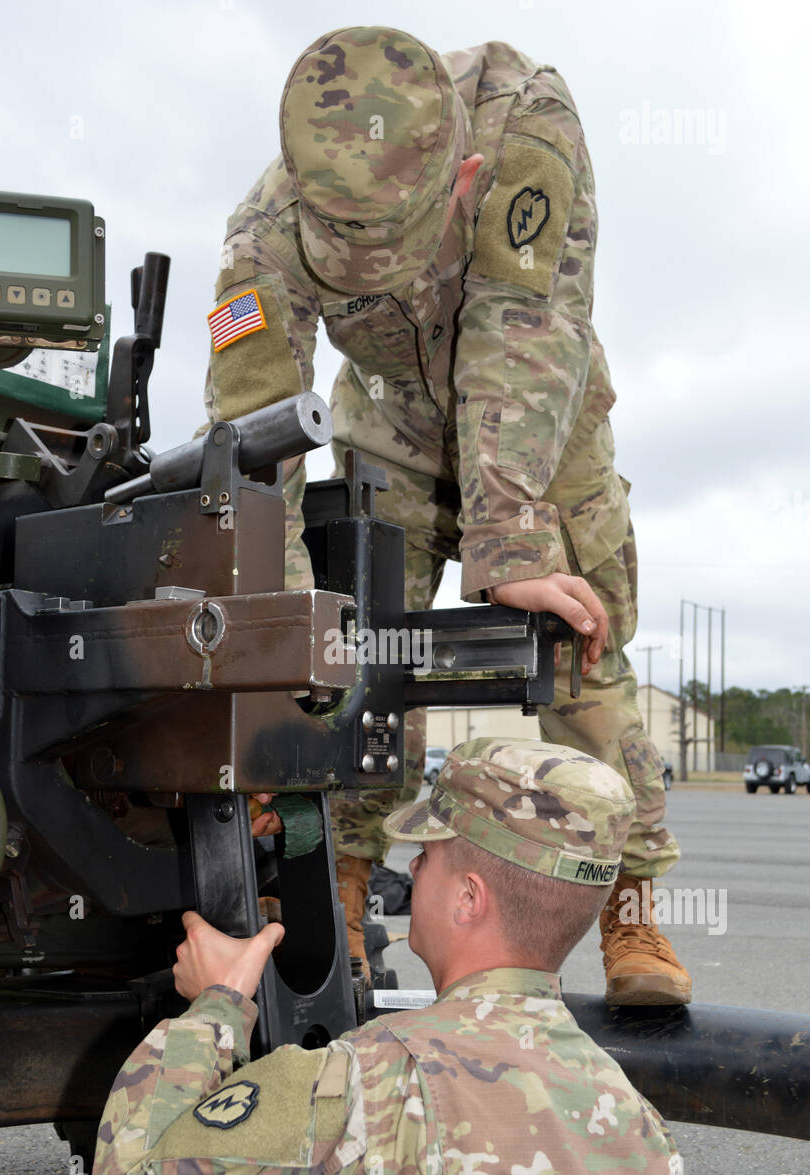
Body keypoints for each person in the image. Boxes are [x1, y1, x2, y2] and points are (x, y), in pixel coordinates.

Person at [196, 26, 690, 1006]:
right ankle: (336, 888)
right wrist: (286, 615)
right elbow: (254, 438)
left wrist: (509, 535)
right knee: (353, 657)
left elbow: (526, 324)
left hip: (543, 431)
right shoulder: (264, 236)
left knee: (576, 646)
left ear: (463, 177)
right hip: (390, 439)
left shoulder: (525, 126)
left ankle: (632, 907)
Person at [86, 739, 684, 1175]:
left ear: (467, 899)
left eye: (426, 856)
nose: (414, 872)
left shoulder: (362, 1091)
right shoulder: (639, 1128)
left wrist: (213, 1008)